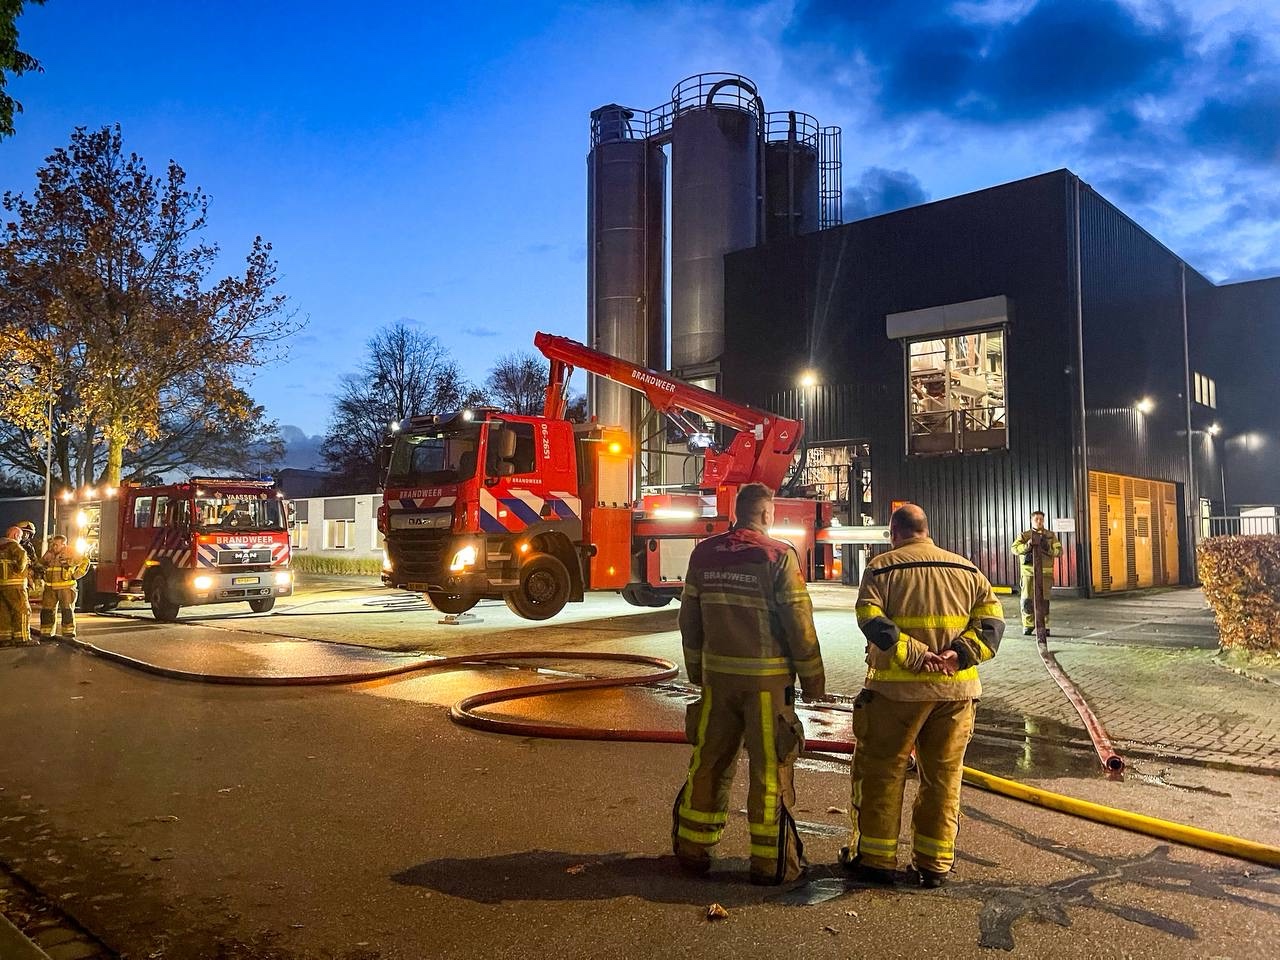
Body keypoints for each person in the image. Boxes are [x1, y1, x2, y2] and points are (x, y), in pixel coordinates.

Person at [672, 482, 828, 885]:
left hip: (718, 683)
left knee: (709, 763)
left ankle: (692, 850)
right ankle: (770, 864)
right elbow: (799, 624)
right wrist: (813, 682)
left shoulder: (703, 553)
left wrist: (697, 671)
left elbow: (689, 618)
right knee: (769, 773)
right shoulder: (778, 556)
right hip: (766, 685)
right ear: (766, 513)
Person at [843, 503, 1004, 888]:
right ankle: (934, 864)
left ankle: (876, 859)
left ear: (894, 533)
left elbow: (870, 618)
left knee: (882, 771)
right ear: (925, 531)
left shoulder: (882, 568)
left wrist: (915, 655)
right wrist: (958, 654)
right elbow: (994, 623)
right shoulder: (967, 569)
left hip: (895, 694)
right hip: (956, 692)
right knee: (944, 777)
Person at [1012, 511, 1062, 635]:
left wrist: (1048, 548)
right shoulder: (1024, 535)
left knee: (1044, 601)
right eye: (1036, 519)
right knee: (1027, 600)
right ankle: (1028, 625)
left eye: (1041, 519)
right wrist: (1027, 546)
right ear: (1031, 520)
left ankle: (1044, 626)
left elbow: (1059, 552)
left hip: (1045, 574)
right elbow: (1014, 549)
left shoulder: (1050, 536)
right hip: (1028, 574)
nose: (1039, 521)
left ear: (1044, 520)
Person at [38, 535, 91, 640]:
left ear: (64, 544)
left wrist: (75, 575)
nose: (54, 547)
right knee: (47, 611)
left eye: (56, 545)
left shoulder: (71, 552)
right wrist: (41, 573)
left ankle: (68, 633)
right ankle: (46, 633)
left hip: (66, 587)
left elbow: (85, 562)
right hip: (50, 588)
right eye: (53, 544)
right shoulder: (49, 553)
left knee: (67, 610)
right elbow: (40, 565)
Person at [0, 526, 32, 647]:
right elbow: (22, 556)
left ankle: (4, 638)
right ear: (15, 536)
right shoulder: (13, 545)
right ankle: (22, 638)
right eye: (19, 537)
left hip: (1, 585)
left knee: (4, 612)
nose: (20, 539)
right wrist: (20, 569)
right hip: (15, 585)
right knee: (22, 610)